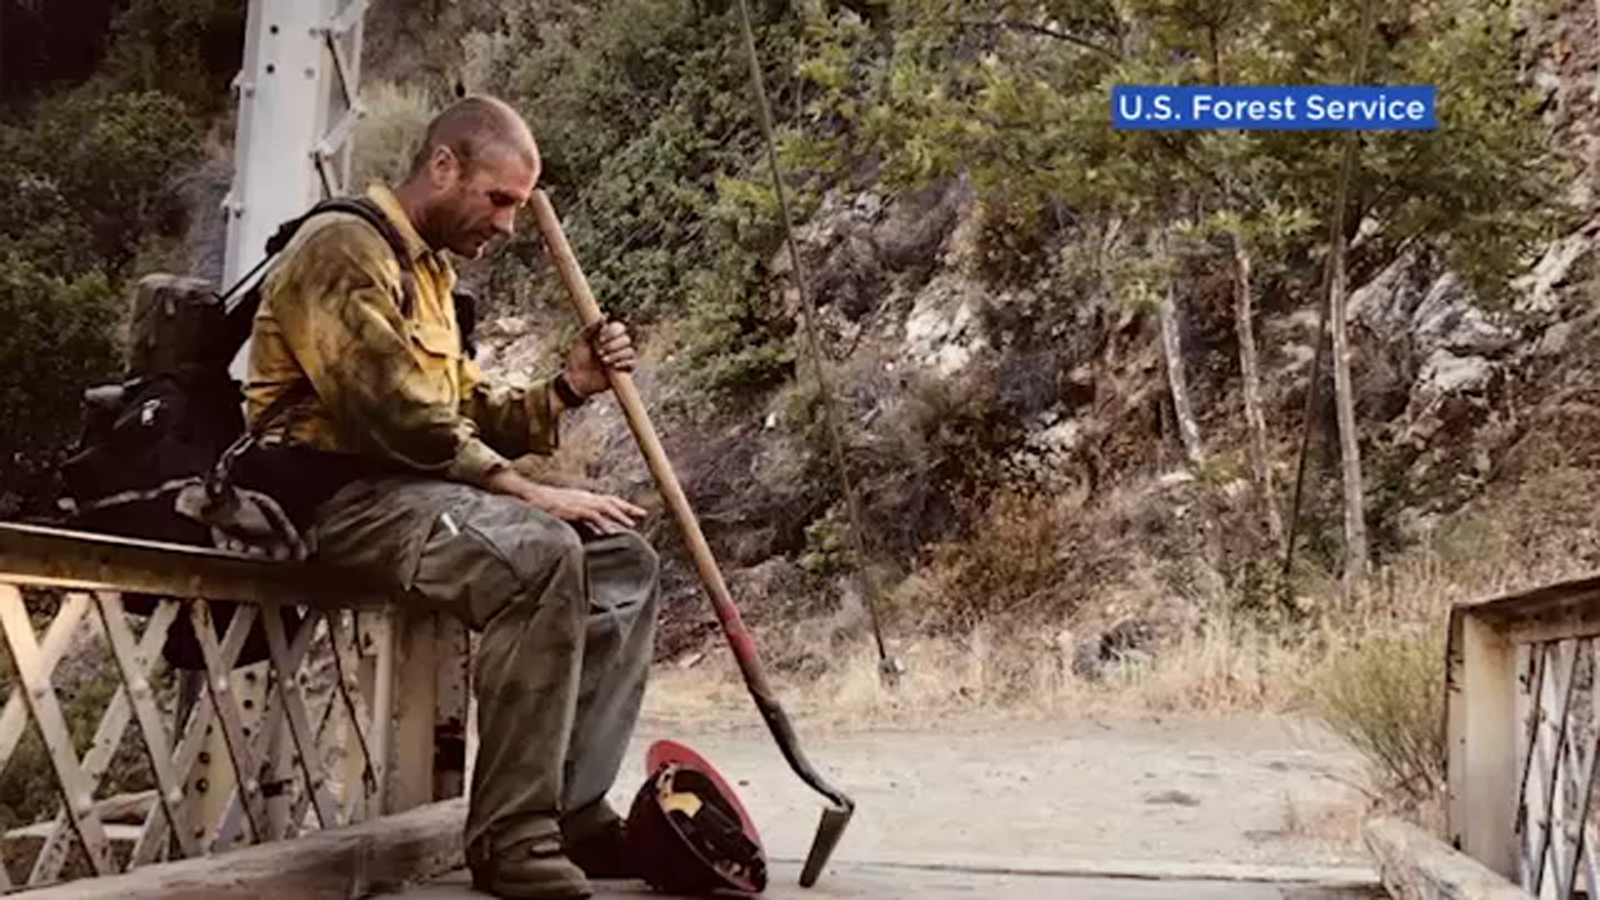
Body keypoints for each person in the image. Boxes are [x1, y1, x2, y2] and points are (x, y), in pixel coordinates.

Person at [236, 94, 660, 900]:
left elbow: (461, 406)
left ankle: (573, 808)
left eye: (518, 205)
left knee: (624, 565)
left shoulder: (429, 271)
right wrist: (526, 492)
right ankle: (511, 838)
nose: (507, 224)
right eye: (499, 199)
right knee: (538, 556)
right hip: (335, 497)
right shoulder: (340, 248)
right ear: (442, 166)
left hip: (416, 493)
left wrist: (570, 388)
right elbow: (390, 410)